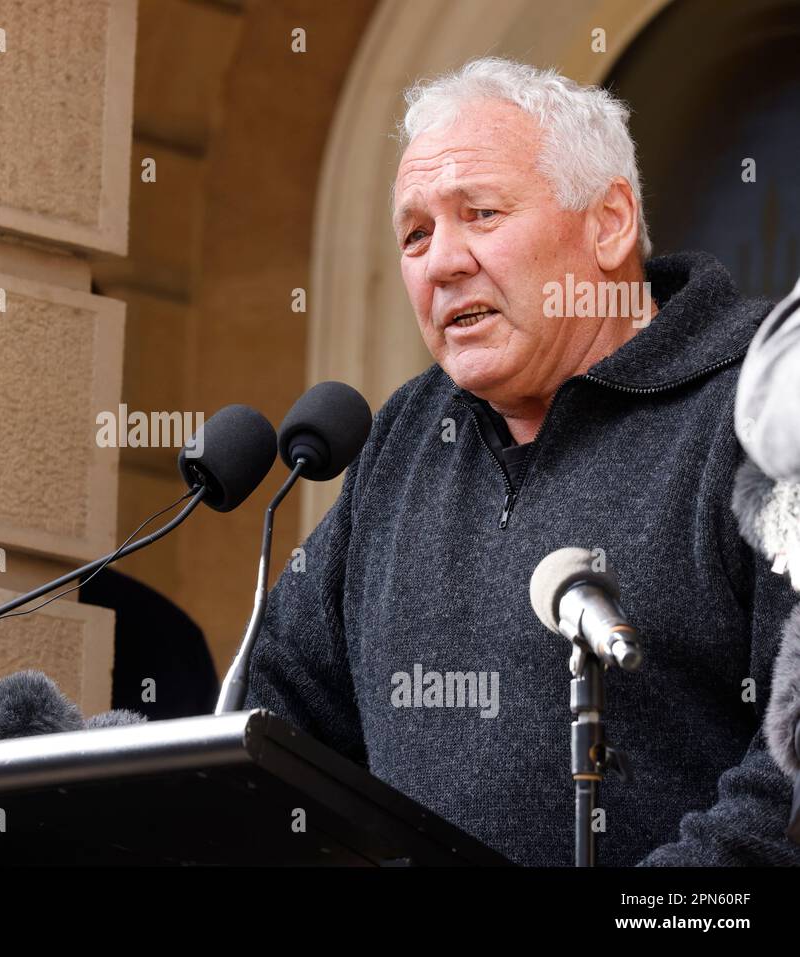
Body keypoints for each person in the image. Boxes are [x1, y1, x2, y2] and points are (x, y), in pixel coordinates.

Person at [245, 57, 800, 865]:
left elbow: (788, 786)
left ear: (609, 223)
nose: (442, 260)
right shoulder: (404, 438)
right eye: (415, 234)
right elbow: (275, 731)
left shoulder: (764, 405)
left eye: (481, 213)